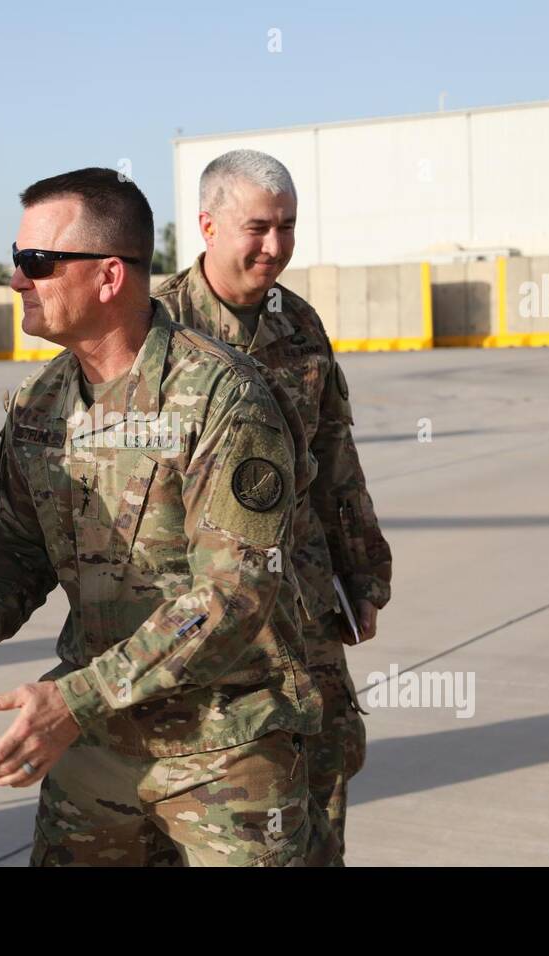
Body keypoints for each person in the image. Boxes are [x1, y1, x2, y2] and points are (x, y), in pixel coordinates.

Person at [0, 168, 339, 866]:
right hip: (94, 756)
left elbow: (235, 593)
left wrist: (73, 699)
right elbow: (14, 559)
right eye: (16, 263)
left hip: (223, 753)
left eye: (36, 263)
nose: (18, 280)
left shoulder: (223, 397)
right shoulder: (39, 405)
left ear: (109, 277)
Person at [153, 149, 393, 856]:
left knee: (324, 770)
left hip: (301, 603)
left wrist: (363, 573)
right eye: (258, 227)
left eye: (288, 226)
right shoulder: (153, 331)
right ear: (208, 225)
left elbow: (336, 463)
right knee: (208, 800)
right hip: (199, 609)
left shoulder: (299, 324)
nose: (276, 246)